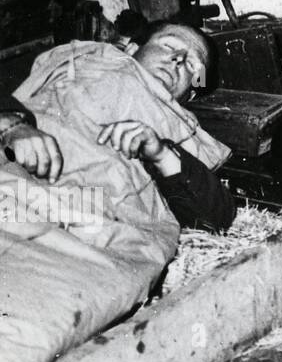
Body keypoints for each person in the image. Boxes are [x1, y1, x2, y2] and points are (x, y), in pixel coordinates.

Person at [0, 20, 235, 232]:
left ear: (190, 95)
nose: (179, 59)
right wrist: (12, 124)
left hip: (77, 221)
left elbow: (216, 219)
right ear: (132, 48)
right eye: (168, 46)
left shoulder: (181, 132)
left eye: (193, 66)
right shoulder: (77, 58)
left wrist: (161, 154)